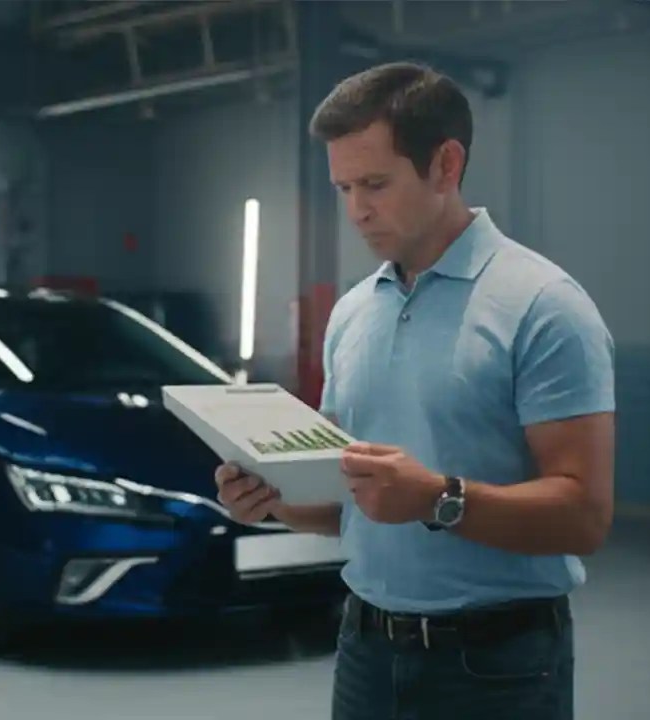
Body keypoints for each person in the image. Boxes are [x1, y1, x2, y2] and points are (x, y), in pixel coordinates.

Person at [213, 61, 616, 719]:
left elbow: (584, 514)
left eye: (375, 183)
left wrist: (437, 498)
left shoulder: (544, 306)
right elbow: (350, 499)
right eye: (343, 188)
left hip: (496, 664)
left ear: (445, 165)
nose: (356, 210)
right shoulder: (353, 313)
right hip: (365, 648)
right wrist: (272, 501)